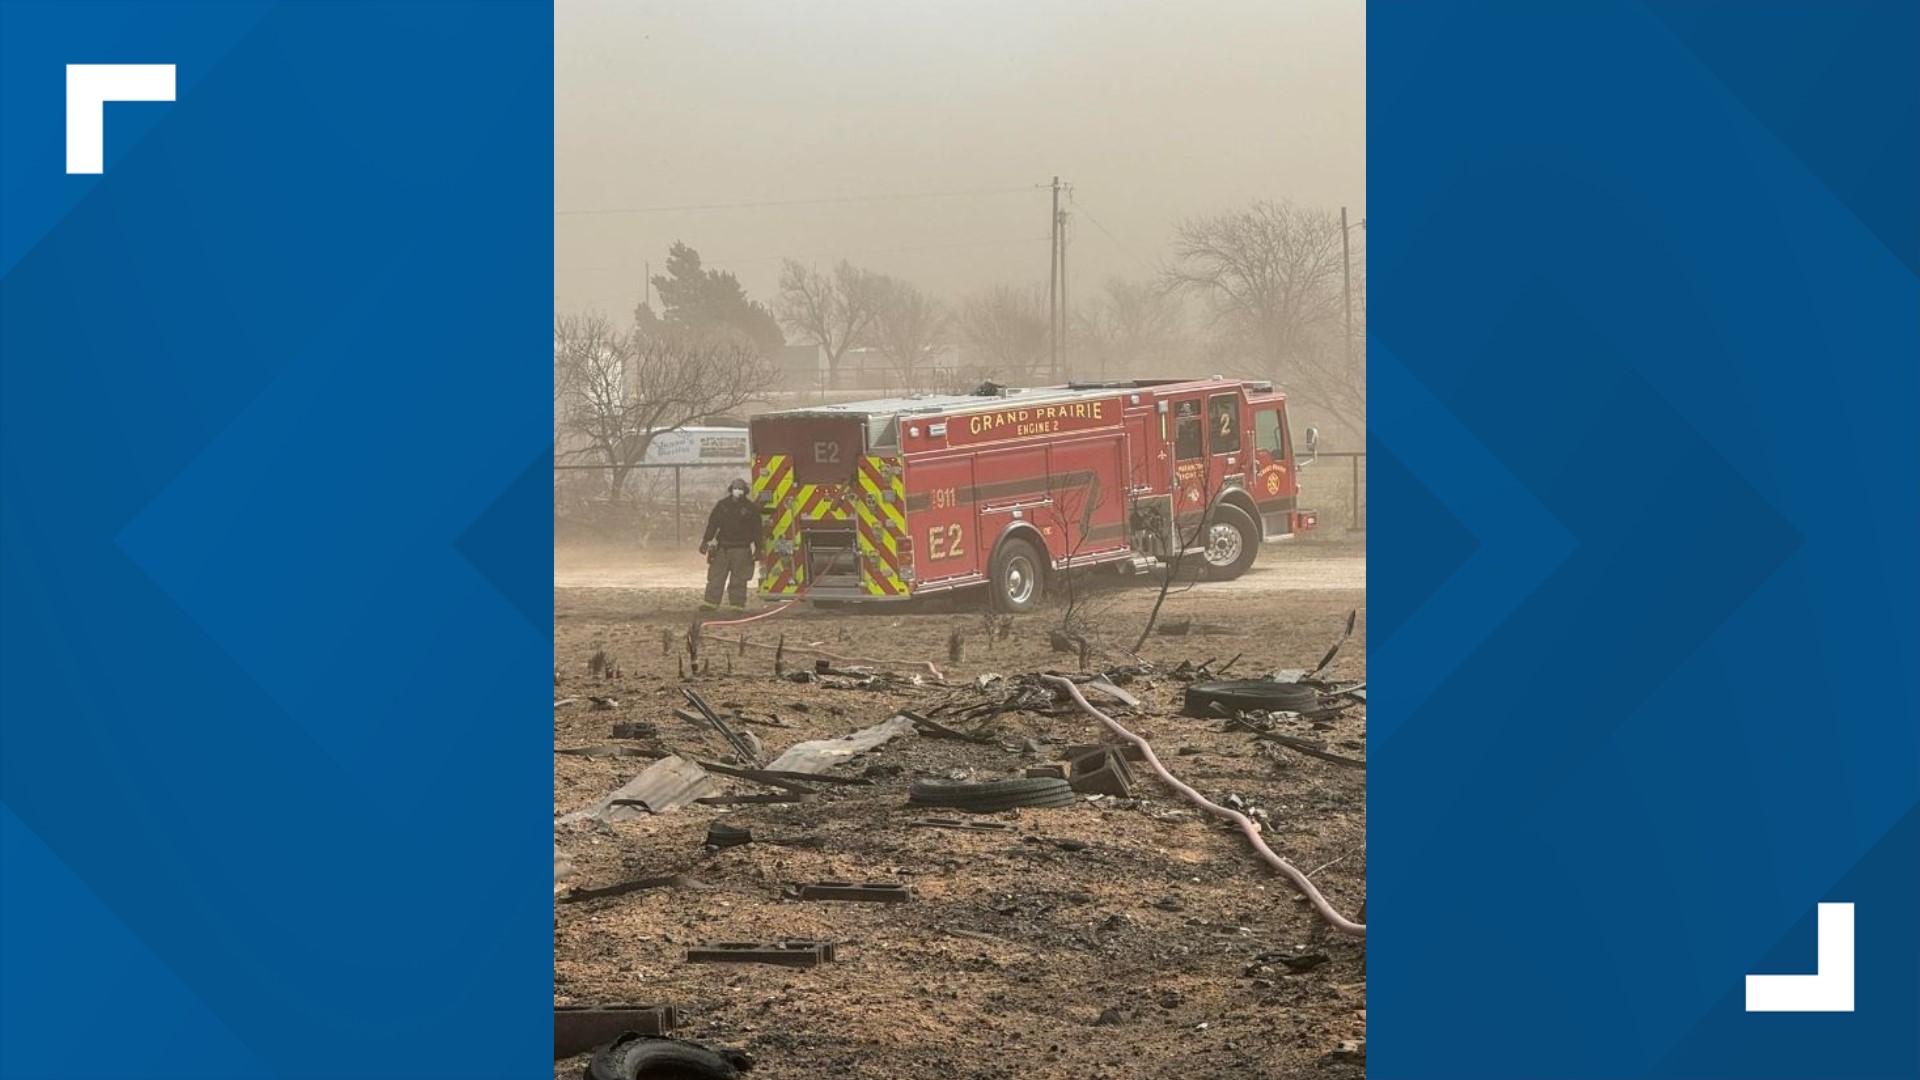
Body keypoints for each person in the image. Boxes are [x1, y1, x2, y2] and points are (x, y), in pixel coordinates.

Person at [698, 478, 760, 610]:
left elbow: (757, 530)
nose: (738, 490)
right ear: (731, 489)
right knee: (716, 577)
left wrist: (759, 549)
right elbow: (712, 525)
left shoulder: (751, 508)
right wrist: (705, 542)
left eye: (740, 488)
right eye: (736, 488)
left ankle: (736, 606)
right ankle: (710, 603)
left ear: (745, 491)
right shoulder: (722, 506)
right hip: (723, 548)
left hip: (742, 549)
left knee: (739, 579)